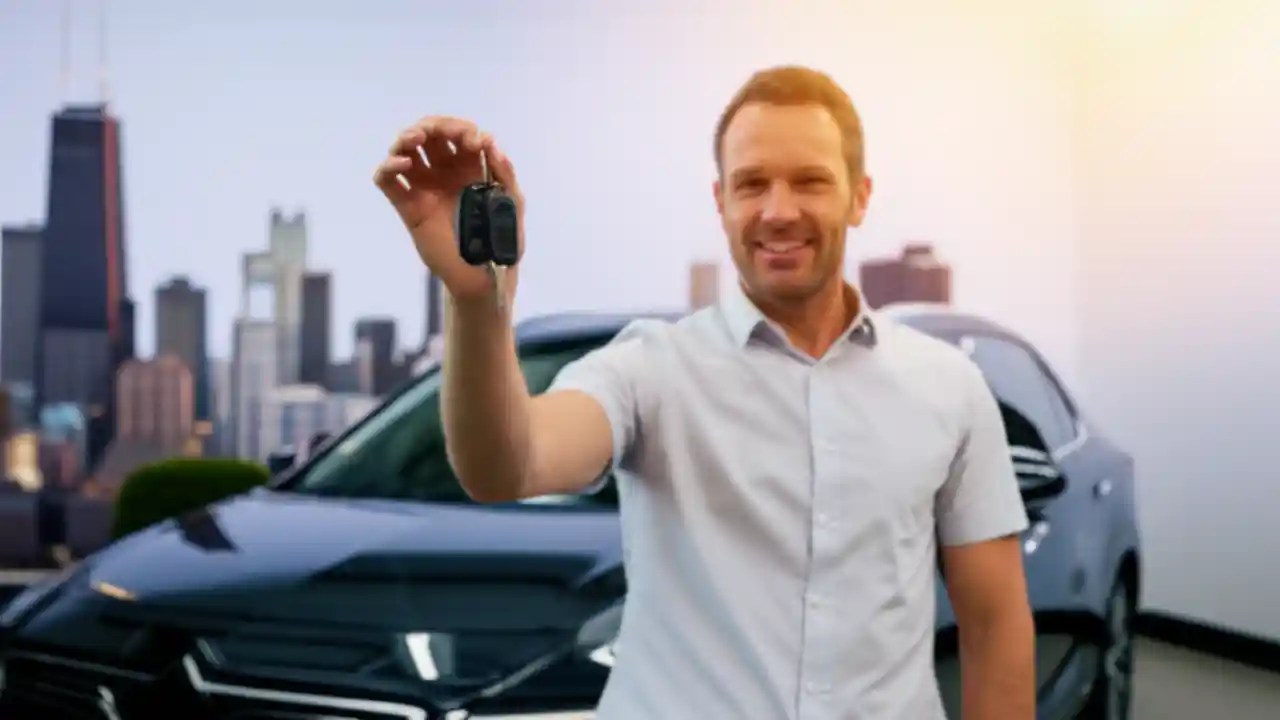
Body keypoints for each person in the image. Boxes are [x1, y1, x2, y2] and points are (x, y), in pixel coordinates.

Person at [374, 64, 1035, 720]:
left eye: (810, 181)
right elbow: (505, 465)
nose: (778, 211)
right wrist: (477, 301)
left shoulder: (947, 386)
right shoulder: (650, 369)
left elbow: (996, 624)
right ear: (721, 201)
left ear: (859, 197)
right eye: (752, 184)